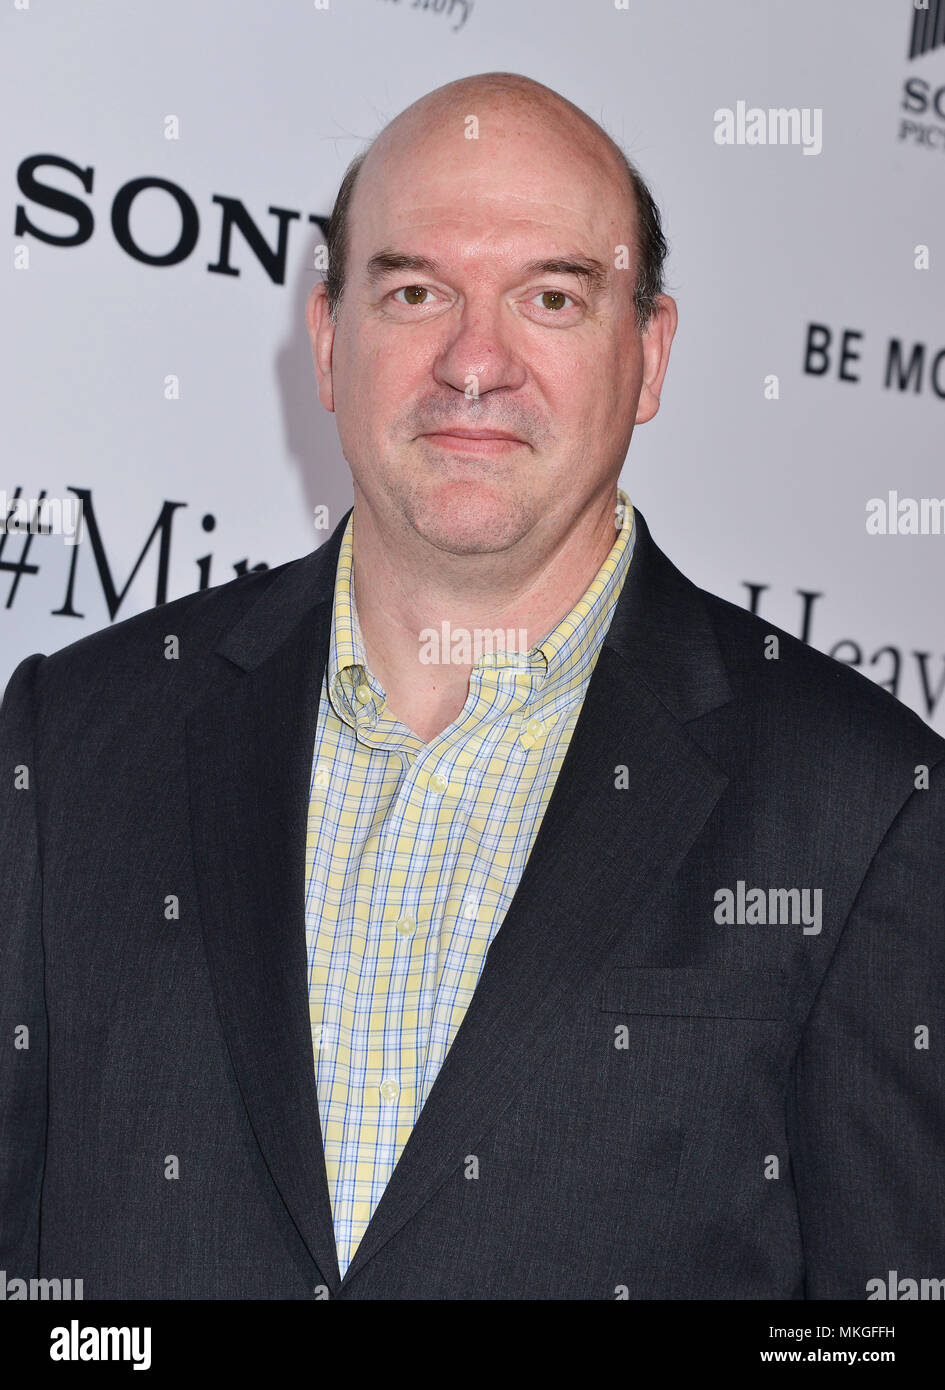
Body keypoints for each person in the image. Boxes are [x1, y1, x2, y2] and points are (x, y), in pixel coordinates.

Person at [1, 71, 943, 1301]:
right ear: (330, 341)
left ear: (648, 355)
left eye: (551, 296)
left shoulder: (862, 807)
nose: (475, 361)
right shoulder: (70, 743)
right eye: (414, 291)